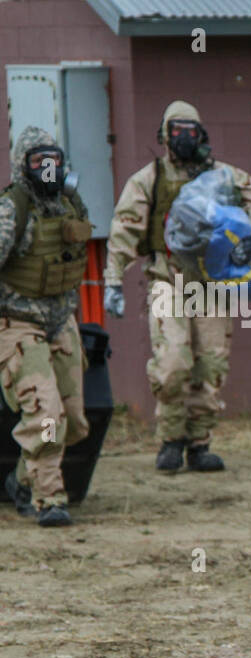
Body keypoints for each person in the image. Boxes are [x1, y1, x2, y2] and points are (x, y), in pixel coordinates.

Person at [103, 100, 251, 473]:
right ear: (164, 135)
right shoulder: (149, 179)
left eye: (190, 131)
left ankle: (199, 443)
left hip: (213, 284)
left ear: (202, 135)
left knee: (210, 365)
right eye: (176, 130)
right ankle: (171, 439)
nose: (183, 138)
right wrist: (113, 279)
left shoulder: (223, 175)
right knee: (173, 363)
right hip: (169, 281)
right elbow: (124, 229)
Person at [0, 126, 93, 527]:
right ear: (24, 166)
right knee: (47, 415)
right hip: (18, 323)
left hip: (60, 320)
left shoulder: (70, 202)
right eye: (40, 163)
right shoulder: (11, 208)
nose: (49, 170)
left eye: (54, 160)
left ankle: (21, 480)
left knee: (72, 421)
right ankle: (48, 499)